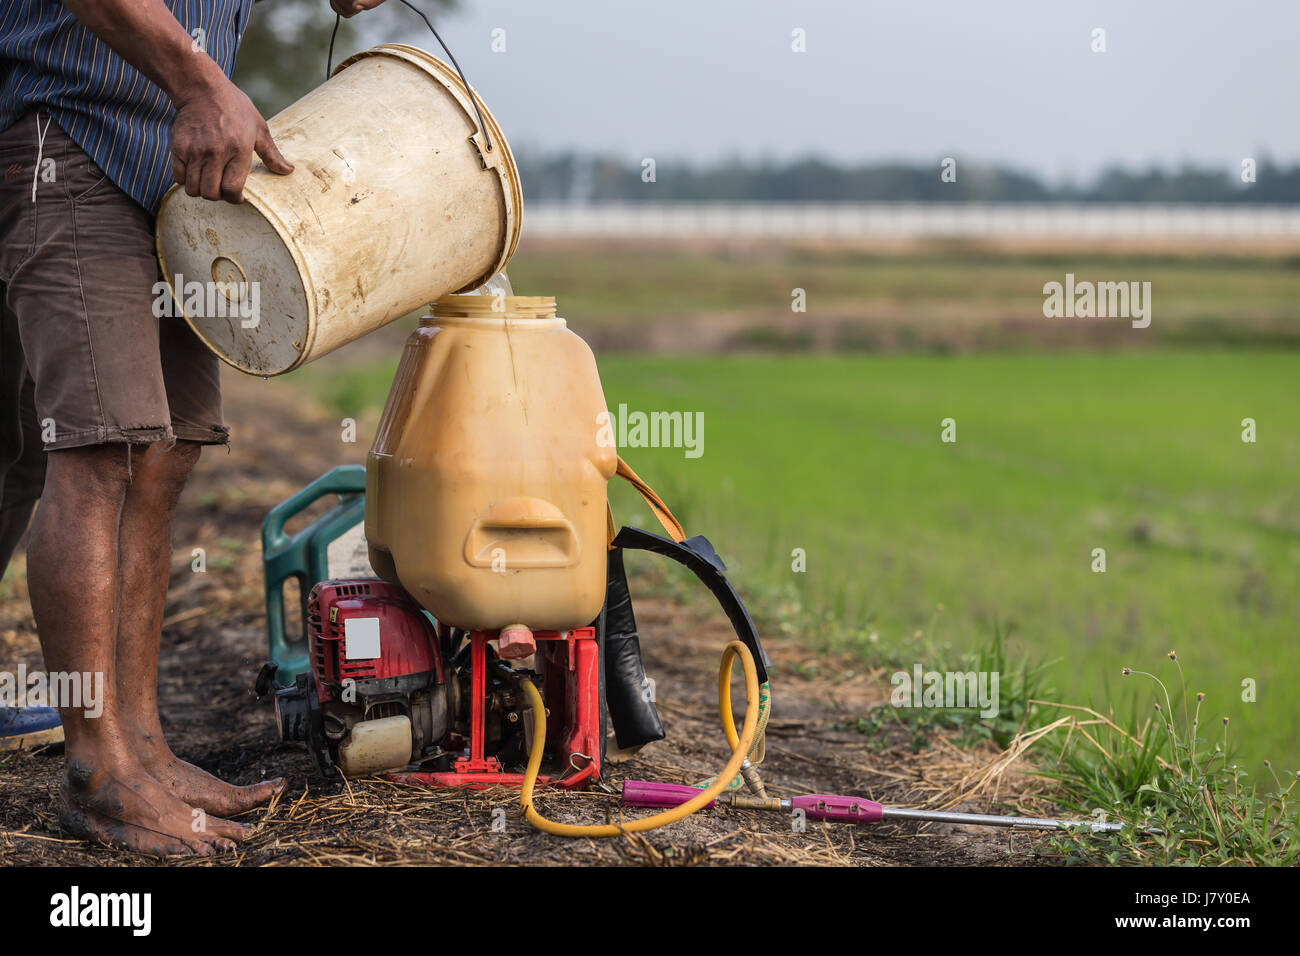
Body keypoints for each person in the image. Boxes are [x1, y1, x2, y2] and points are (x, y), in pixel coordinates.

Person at [0, 0, 386, 856]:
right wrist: (203, 81)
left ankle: (141, 750)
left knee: (167, 450)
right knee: (100, 448)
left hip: (181, 161)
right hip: (75, 134)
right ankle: (96, 774)